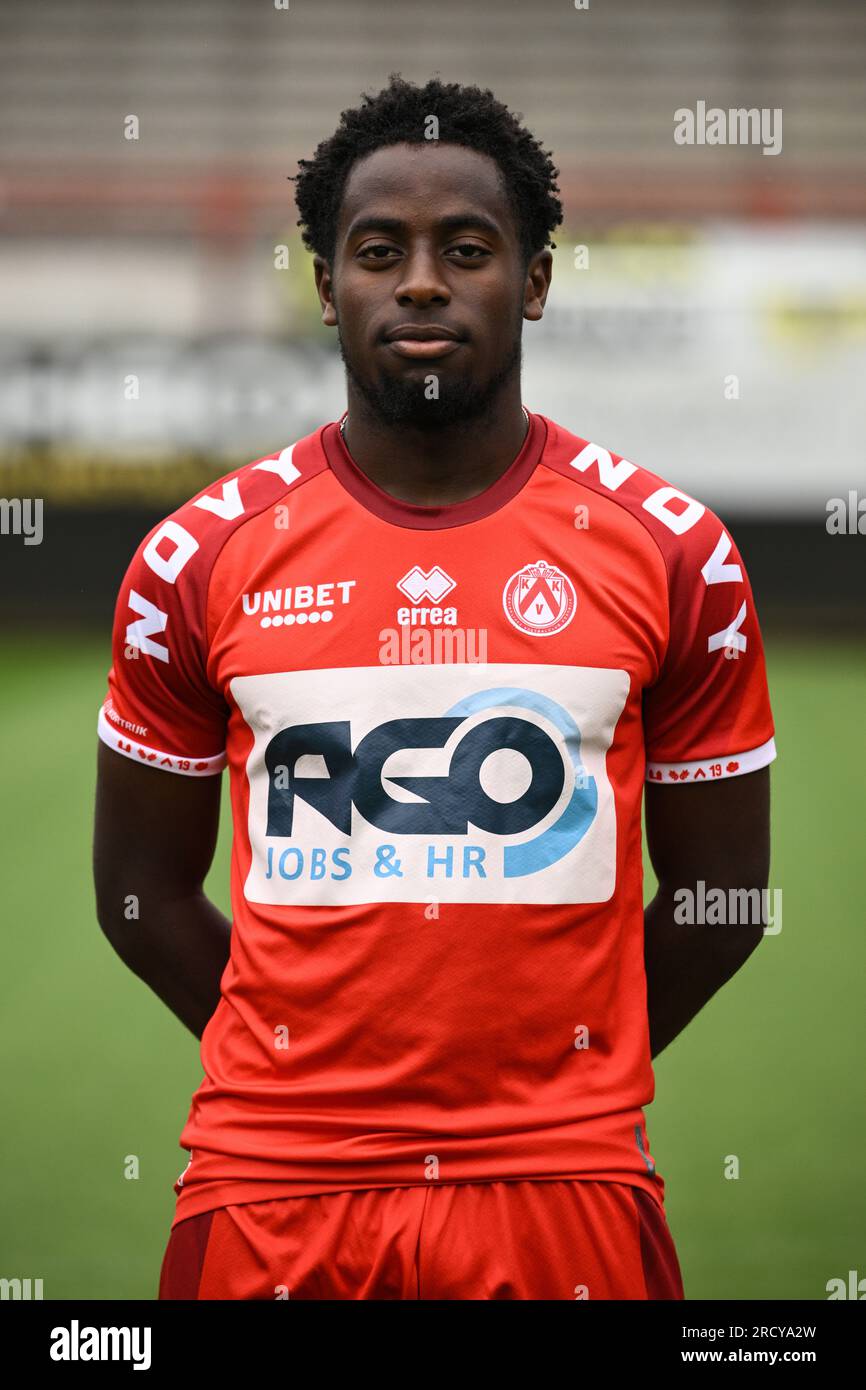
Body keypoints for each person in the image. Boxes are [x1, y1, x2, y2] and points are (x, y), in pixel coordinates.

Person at [93, 74, 775, 1300]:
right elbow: (138, 891)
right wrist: (299, 1072)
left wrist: (570, 1072)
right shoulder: (196, 557)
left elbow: (724, 894)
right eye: (376, 251)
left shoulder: (672, 550)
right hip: (271, 1183)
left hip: (562, 1185)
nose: (419, 281)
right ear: (324, 288)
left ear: (536, 281)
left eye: (465, 248)